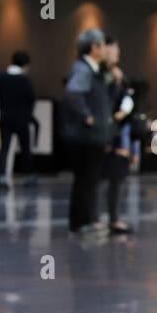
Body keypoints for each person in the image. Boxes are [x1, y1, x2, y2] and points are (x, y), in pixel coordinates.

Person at [63, 29, 114, 235]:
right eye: (102, 45)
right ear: (94, 48)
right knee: (85, 180)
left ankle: (82, 222)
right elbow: (73, 94)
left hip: (92, 136)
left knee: (87, 180)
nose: (104, 49)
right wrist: (87, 116)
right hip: (86, 137)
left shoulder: (93, 70)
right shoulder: (84, 69)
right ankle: (80, 223)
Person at [100, 36, 134, 235]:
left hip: (118, 133)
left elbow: (128, 99)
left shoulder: (119, 76)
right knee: (97, 179)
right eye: (115, 50)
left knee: (117, 176)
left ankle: (114, 218)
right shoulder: (101, 76)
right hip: (103, 133)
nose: (117, 54)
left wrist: (123, 111)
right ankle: (95, 219)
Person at [0, 51, 37, 189]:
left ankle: (2, 175)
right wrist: (28, 114)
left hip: (6, 117)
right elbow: (31, 99)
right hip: (22, 118)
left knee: (4, 149)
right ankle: (28, 175)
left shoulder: (2, 77)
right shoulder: (25, 80)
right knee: (25, 148)